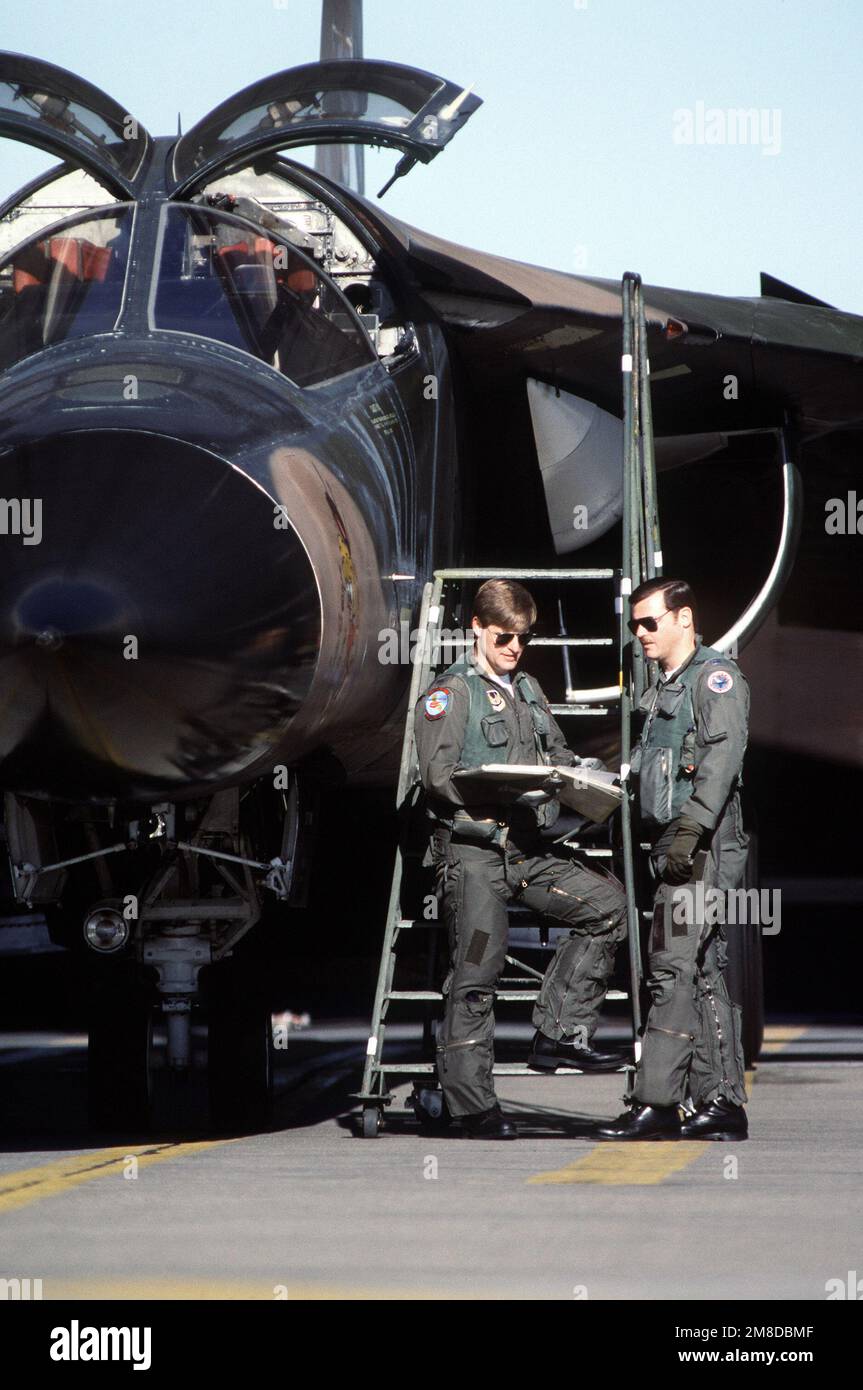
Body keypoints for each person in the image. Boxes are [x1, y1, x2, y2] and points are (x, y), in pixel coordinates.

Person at [414, 579, 628, 1140]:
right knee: (477, 972)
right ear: (478, 629)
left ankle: (559, 1031)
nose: (515, 647)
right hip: (476, 852)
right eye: (505, 636)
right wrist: (506, 792)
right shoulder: (449, 694)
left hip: (529, 851)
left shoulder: (528, 689)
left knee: (608, 906)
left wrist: (576, 778)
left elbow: (555, 752)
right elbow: (437, 778)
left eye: (525, 638)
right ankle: (471, 1106)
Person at [594, 578, 750, 1141]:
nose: (639, 634)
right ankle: (722, 1103)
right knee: (701, 971)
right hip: (672, 844)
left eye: (649, 622)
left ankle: (656, 1103)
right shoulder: (666, 687)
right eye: (634, 624)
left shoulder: (715, 679)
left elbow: (721, 760)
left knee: (672, 967)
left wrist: (690, 833)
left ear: (683, 618)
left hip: (700, 848)